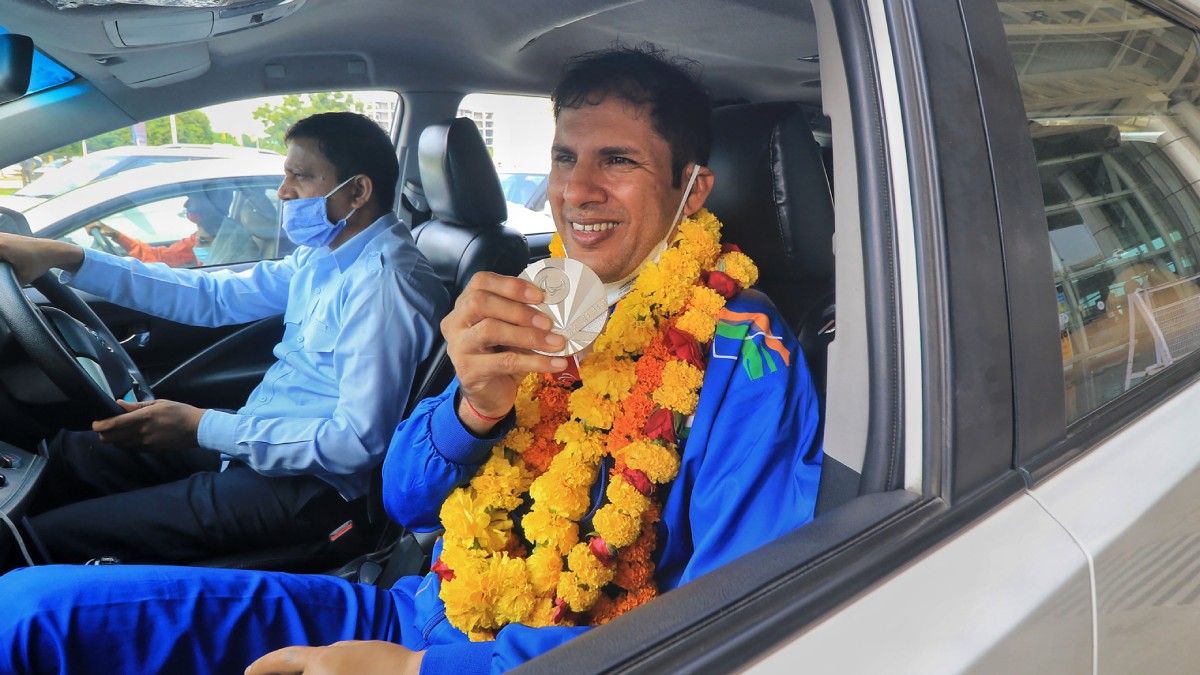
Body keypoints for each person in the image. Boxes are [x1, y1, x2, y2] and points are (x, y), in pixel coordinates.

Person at [0, 46, 822, 674]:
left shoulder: (743, 355)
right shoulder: (535, 300)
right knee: (24, 614)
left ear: (694, 189)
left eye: (619, 161)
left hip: (516, 652)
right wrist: (473, 408)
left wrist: (427, 669)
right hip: (413, 603)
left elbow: (729, 622)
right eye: (566, 157)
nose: (576, 190)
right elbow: (402, 495)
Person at [0, 111, 450, 566]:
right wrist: (70, 257)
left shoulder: (385, 287)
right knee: (71, 457)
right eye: (285, 173)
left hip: (307, 490)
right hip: (260, 443)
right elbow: (212, 297)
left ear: (357, 191)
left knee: (48, 538)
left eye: (300, 176)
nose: (283, 192)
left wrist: (200, 426)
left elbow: (353, 444)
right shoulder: (325, 256)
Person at [84, 188, 258, 267]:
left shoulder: (236, 242)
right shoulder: (199, 236)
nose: (186, 203)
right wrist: (116, 235)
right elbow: (162, 256)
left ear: (213, 203)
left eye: (193, 198)